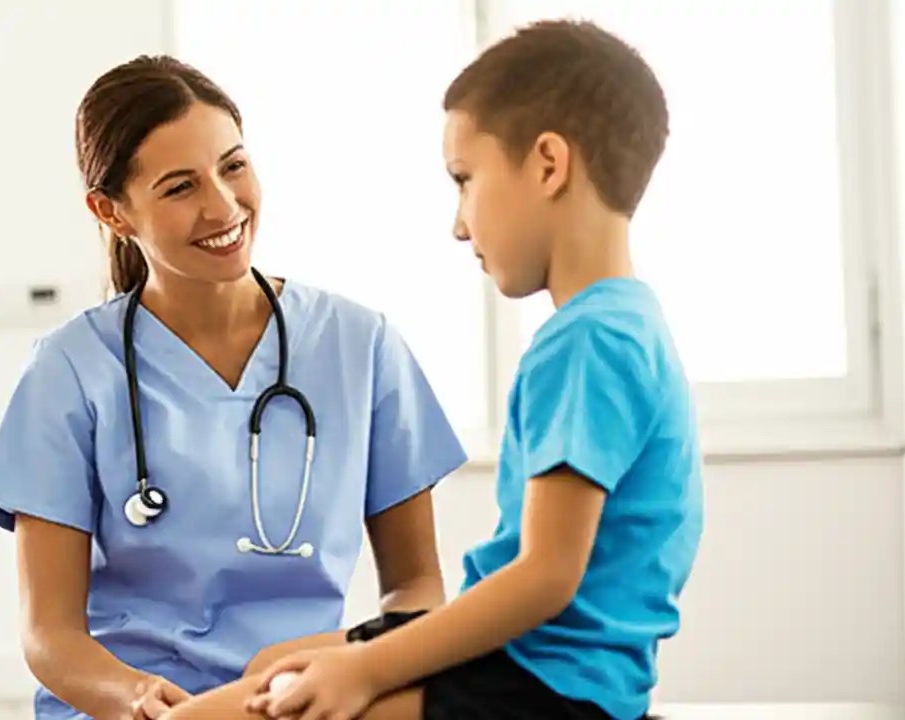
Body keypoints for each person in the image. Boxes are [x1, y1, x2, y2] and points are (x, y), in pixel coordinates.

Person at [160, 18, 704, 720]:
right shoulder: (629, 322)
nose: (459, 223)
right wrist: (358, 657)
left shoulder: (589, 341)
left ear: (548, 164)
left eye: (465, 180)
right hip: (539, 667)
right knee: (274, 667)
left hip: (543, 687)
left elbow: (544, 578)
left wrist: (364, 669)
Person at [0, 55, 468, 720]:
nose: (223, 205)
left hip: (300, 699)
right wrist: (136, 697)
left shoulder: (359, 345)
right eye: (180, 188)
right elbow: (50, 637)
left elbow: (416, 588)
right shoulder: (70, 370)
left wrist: (337, 666)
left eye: (233, 166)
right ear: (111, 211)